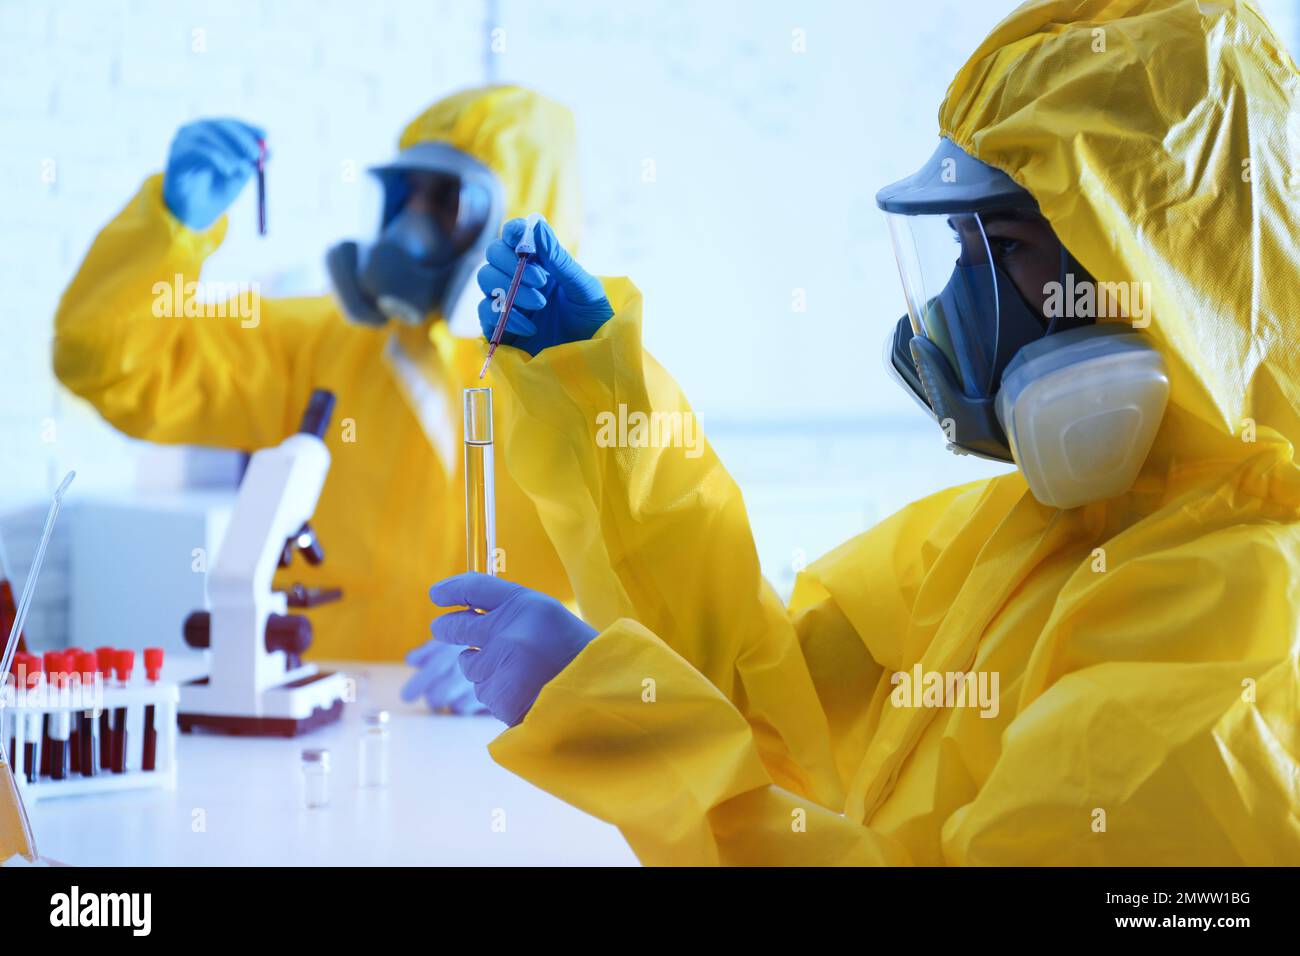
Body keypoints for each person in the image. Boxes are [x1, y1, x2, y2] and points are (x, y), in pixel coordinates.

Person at [416, 0, 1300, 864]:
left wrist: (617, 726)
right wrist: (593, 390)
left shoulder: (1236, 647)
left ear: (1155, 270)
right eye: (958, 251)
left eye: (1006, 250)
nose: (957, 312)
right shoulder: (1025, 535)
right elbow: (769, 704)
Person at [52, 86, 580, 713]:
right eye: (406, 194)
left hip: (515, 738)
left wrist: (553, 667)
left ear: (517, 220)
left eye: (446, 200)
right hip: (326, 713)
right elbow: (110, 369)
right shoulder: (320, 345)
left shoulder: (579, 386)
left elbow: (653, 598)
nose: (414, 220)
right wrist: (165, 232)